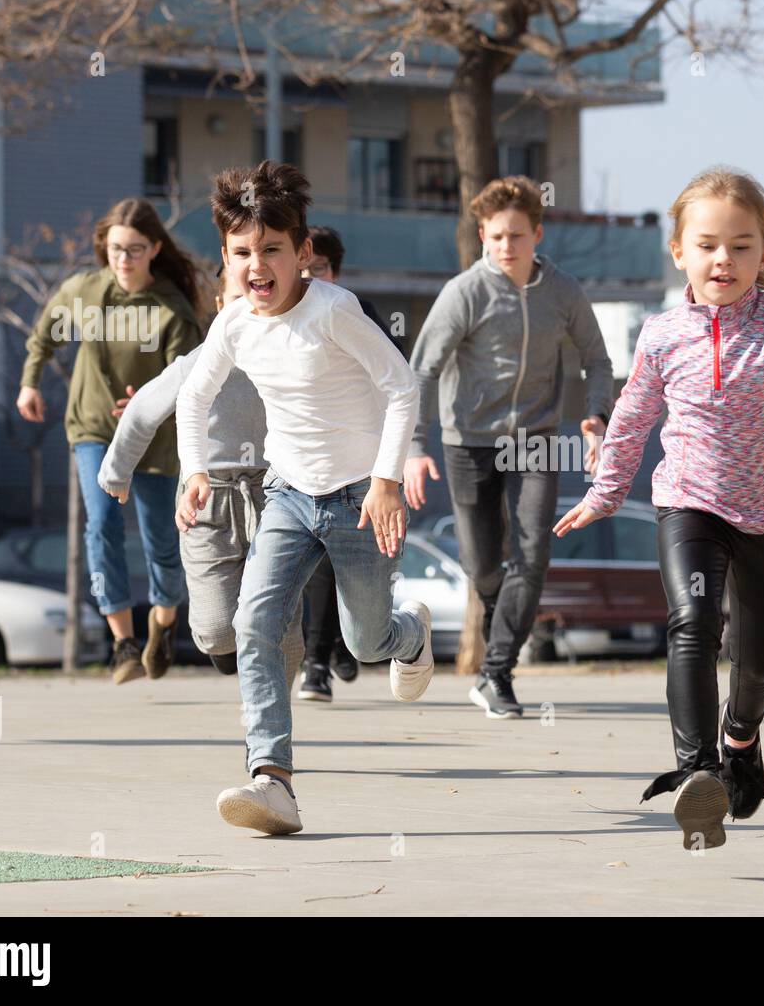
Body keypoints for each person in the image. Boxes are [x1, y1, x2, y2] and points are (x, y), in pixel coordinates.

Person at [555, 167, 764, 850]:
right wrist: (605, 493)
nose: (725, 260)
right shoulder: (660, 334)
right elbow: (630, 421)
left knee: (761, 657)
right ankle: (698, 774)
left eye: (742, 246)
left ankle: (740, 741)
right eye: (708, 244)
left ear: (763, 253)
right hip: (688, 503)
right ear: (680, 251)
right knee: (694, 621)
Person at [176, 160, 430, 836]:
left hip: (358, 498)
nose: (256, 266)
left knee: (366, 640)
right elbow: (193, 395)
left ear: (303, 254)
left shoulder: (335, 313)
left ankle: (412, 635)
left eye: (271, 251)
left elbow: (402, 387)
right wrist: (192, 469)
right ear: (227, 257)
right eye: (242, 254)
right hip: (287, 493)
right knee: (253, 624)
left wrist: (386, 482)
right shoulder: (233, 323)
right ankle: (273, 781)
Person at [404, 175, 614, 719]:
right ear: (482, 236)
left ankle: (497, 673)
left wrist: (596, 415)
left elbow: (598, 359)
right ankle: (499, 628)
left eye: (516, 236)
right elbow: (422, 370)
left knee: (532, 555)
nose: (505, 247)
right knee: (482, 568)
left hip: (535, 440)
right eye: (495, 237)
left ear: (537, 235)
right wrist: (413, 446)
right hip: (467, 441)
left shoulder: (562, 291)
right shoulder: (465, 292)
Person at [17, 198, 202, 684]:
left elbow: (191, 382)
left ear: (155, 249)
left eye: (135, 249)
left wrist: (148, 404)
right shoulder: (83, 292)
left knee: (162, 542)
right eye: (116, 249)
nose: (123, 259)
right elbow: (44, 338)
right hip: (94, 428)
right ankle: (122, 642)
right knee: (100, 525)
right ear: (105, 247)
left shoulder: (171, 310)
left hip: (156, 437)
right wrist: (30, 383)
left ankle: (161, 623)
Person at [97, 269, 304, 692]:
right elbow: (140, 411)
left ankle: (270, 717)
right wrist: (117, 472)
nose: (247, 311)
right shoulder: (196, 363)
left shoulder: (295, 356)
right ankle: (230, 648)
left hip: (277, 495)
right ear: (218, 307)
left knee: (281, 624)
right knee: (215, 631)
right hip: (207, 498)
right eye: (235, 299)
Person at [296, 226, 401, 701]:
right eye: (304, 268)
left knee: (348, 566)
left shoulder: (356, 313)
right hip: (310, 464)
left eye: (319, 269)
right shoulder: (286, 317)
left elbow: (398, 384)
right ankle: (316, 664)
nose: (309, 277)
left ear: (333, 271)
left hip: (362, 463)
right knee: (318, 565)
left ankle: (343, 642)